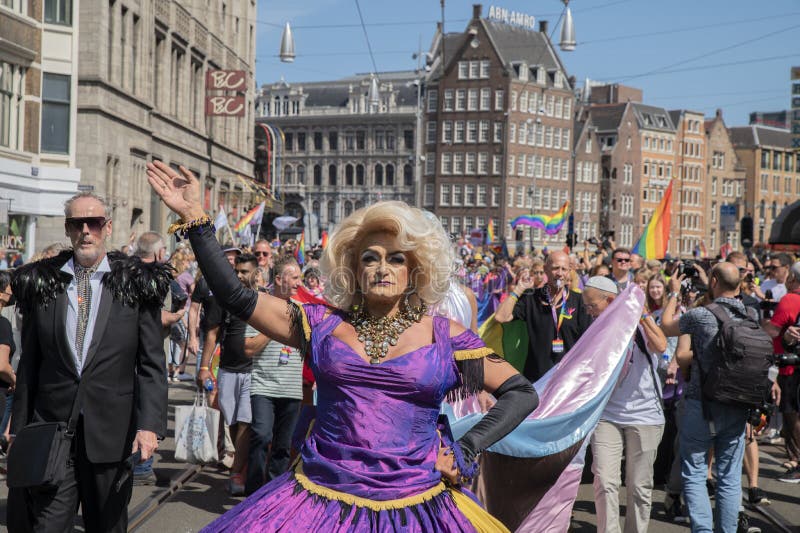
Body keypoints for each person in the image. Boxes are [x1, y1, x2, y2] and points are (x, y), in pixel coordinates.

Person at [146, 161, 538, 531]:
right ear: (354, 269)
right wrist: (196, 219)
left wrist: (466, 448)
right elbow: (235, 296)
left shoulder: (445, 335)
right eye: (371, 258)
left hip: (417, 503)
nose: (382, 268)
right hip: (317, 499)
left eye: (396, 259)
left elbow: (520, 393)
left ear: (415, 269)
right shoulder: (321, 323)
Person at [8, 192, 168, 532]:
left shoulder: (135, 283)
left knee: (107, 526)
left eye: (93, 222)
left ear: (107, 227)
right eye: (76, 223)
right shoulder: (45, 282)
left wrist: (149, 425)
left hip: (111, 433)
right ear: (67, 229)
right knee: (46, 526)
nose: (85, 231)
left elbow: (152, 362)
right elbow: (30, 363)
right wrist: (18, 426)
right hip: (53, 431)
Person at [659, 263, 780, 533]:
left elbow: (666, 326)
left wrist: (674, 293)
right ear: (740, 284)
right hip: (738, 406)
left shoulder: (702, 315)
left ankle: (702, 530)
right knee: (729, 477)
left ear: (713, 281)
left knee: (695, 472)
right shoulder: (750, 314)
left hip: (702, 405)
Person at [582, 277, 667, 533]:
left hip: (645, 415)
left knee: (639, 486)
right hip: (607, 415)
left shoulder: (638, 324)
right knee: (605, 481)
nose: (588, 311)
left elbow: (661, 345)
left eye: (591, 306)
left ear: (610, 301)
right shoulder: (594, 328)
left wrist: (642, 314)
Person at [244, 255, 304, 495]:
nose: (299, 283)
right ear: (279, 279)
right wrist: (274, 327)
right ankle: (253, 493)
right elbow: (248, 348)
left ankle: (270, 496)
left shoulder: (302, 310)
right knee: (261, 436)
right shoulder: (260, 305)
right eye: (295, 277)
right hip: (264, 387)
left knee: (282, 447)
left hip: (291, 389)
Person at [201, 253, 259, 495]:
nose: (239, 276)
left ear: (256, 273)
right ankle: (242, 463)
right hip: (227, 369)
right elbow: (212, 334)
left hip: (252, 370)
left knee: (246, 419)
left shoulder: (261, 299)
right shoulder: (223, 299)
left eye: (244, 272)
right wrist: (204, 368)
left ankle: (238, 469)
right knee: (232, 421)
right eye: (237, 271)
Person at [495, 249, 591, 382]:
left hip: (568, 378)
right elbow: (501, 317)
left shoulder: (579, 301)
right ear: (546, 269)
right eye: (555, 268)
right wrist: (518, 289)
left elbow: (588, 341)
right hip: (536, 378)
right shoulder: (531, 297)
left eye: (564, 269)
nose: (560, 274)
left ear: (569, 271)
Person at [762, 261, 800, 484]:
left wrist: (764, 320)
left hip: (790, 368)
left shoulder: (789, 299)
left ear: (792, 279)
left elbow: (772, 330)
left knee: (791, 414)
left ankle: (796, 461)